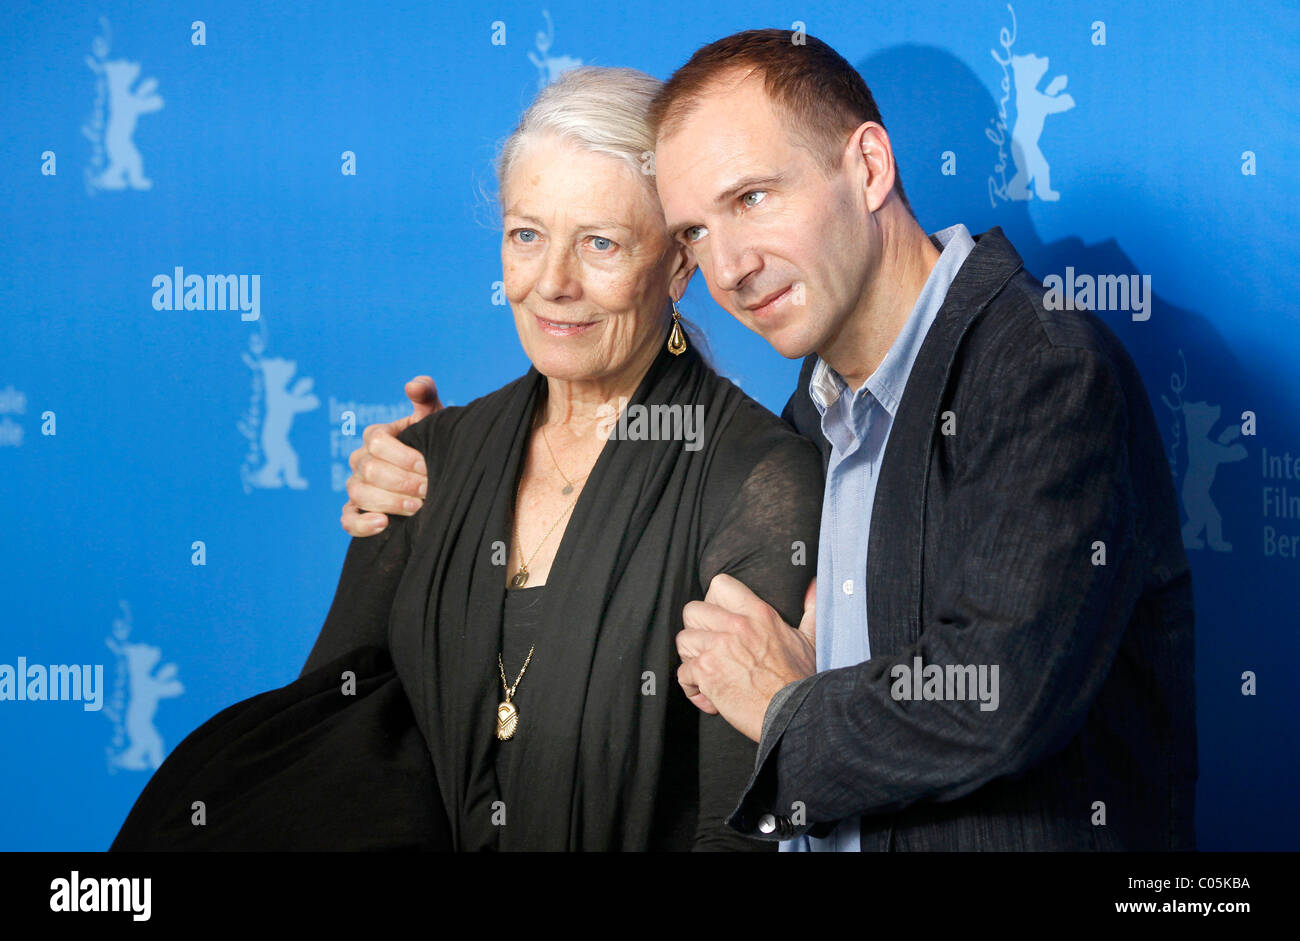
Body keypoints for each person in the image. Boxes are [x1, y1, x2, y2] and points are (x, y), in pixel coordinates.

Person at [352, 30, 1197, 852]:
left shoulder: (1041, 367)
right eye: (696, 233)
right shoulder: (817, 414)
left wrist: (785, 701)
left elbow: (999, 695)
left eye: (752, 199)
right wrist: (454, 458)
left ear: (868, 167)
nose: (730, 268)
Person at [109, 66, 823, 852]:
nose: (552, 283)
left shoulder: (757, 482)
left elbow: (740, 827)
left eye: (601, 244)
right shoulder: (426, 460)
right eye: (527, 235)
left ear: (679, 267)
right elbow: (326, 743)